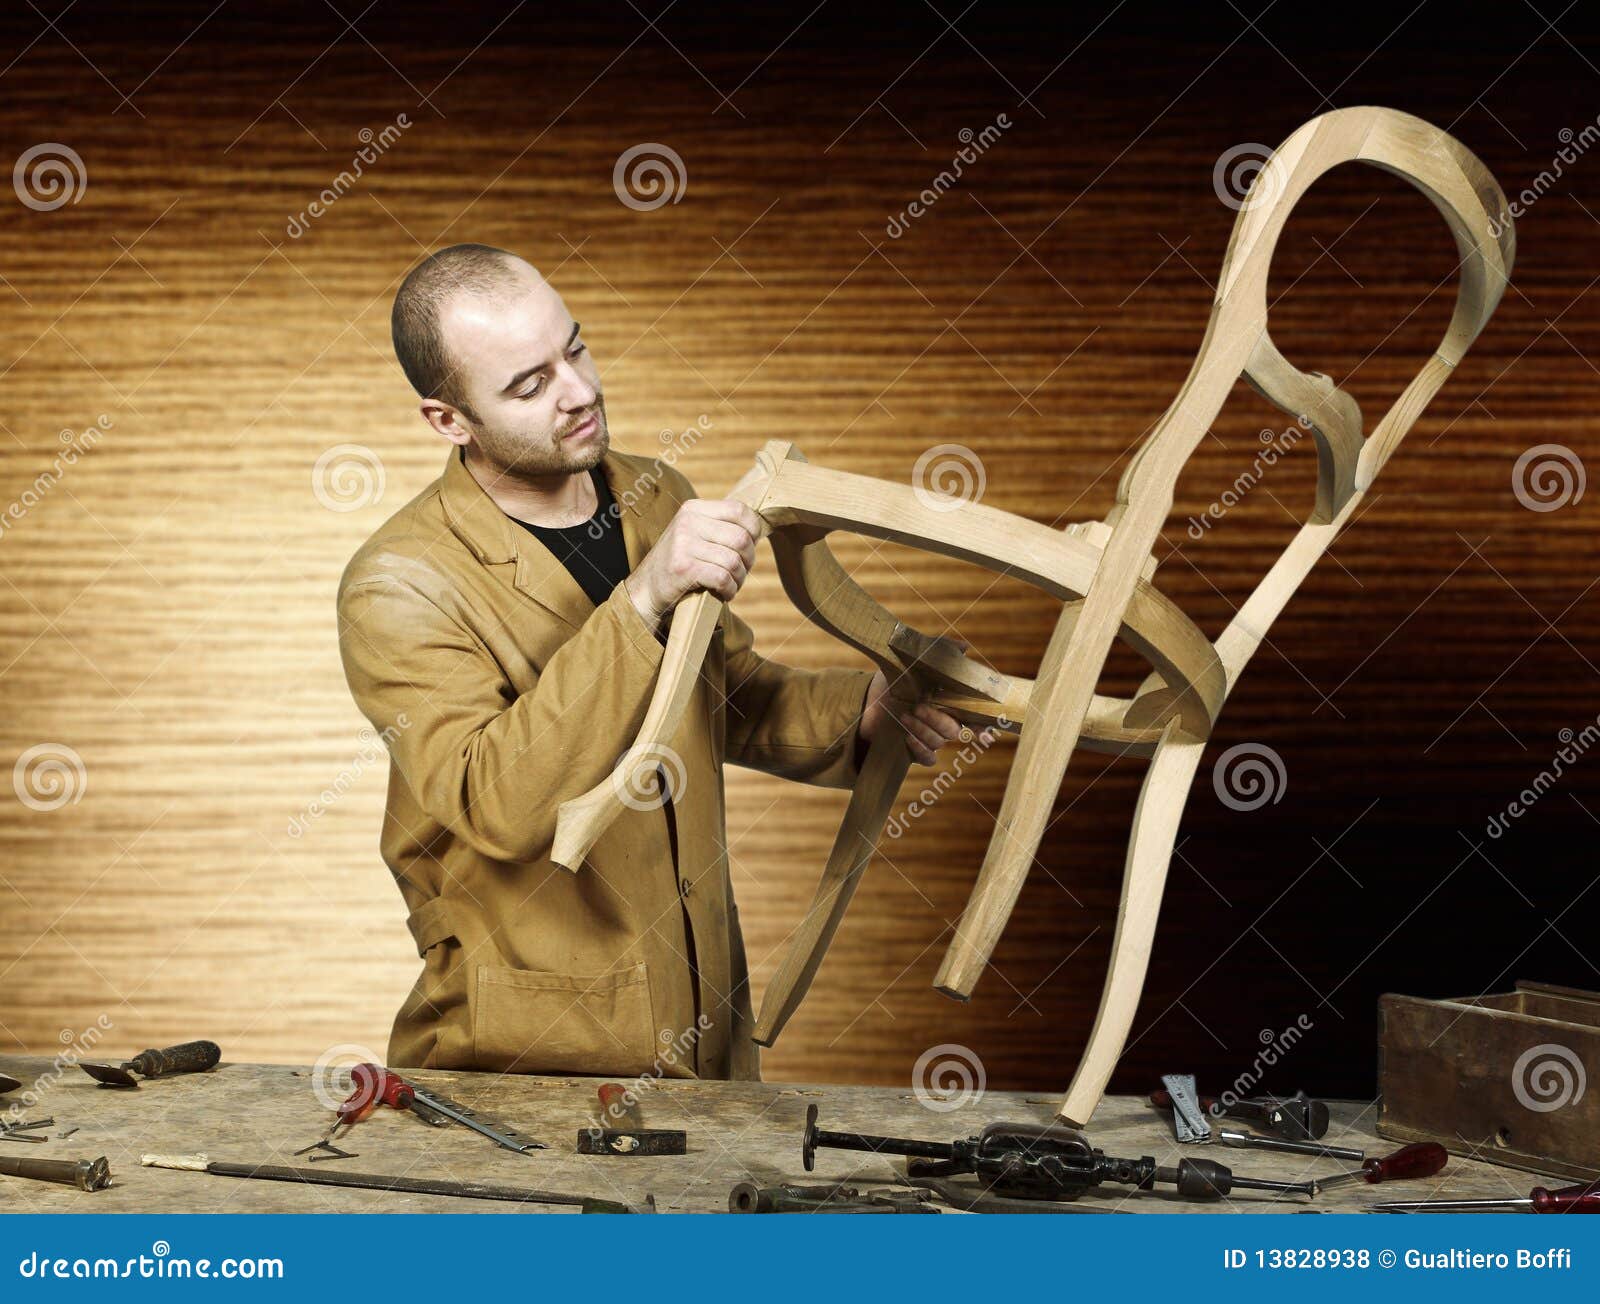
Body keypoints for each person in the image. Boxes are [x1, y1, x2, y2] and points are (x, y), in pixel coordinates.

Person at [337, 244, 963, 1081]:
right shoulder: (400, 585)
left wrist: (861, 715)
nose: (579, 392)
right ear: (449, 420)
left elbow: (714, 692)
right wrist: (641, 600)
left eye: (577, 348)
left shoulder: (653, 492)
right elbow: (498, 800)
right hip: (527, 1056)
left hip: (705, 1018)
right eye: (529, 385)